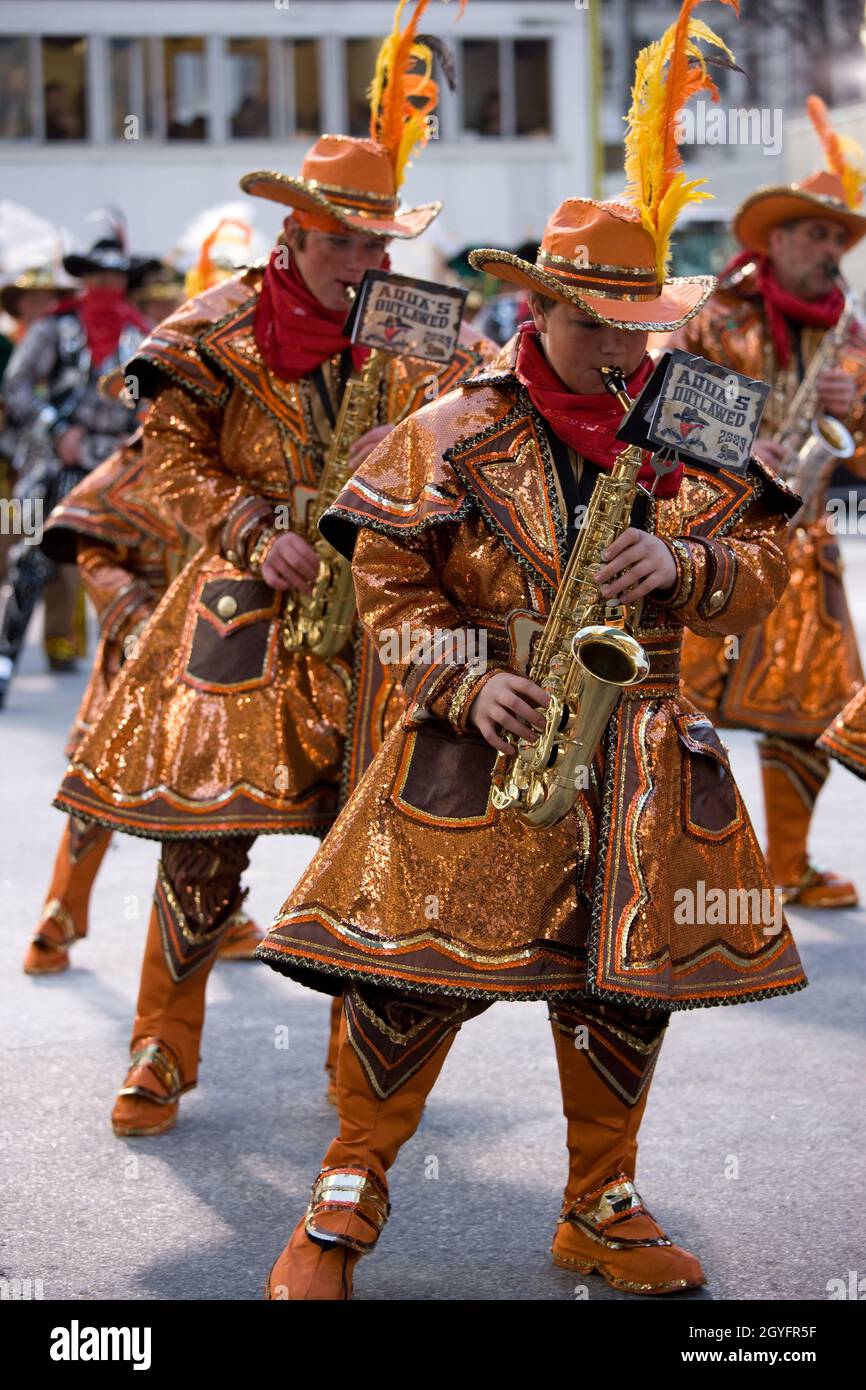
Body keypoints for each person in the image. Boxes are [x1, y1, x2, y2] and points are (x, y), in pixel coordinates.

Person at [255, 0, 806, 1301]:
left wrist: (690, 563)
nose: (628, 351)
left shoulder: (698, 409)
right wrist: (463, 670)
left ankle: (598, 1202)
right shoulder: (446, 425)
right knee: (402, 976)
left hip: (641, 748)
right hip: (477, 729)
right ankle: (344, 1196)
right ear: (540, 307)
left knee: (624, 987)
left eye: (641, 326)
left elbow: (775, 566)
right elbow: (380, 573)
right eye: (598, 325)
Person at [56, 0, 494, 1138]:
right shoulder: (207, 330)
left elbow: (502, 410)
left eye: (378, 240)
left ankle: (359, 1085)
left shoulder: (423, 325)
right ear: (290, 236)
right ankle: (160, 1044)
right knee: (204, 839)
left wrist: (408, 451)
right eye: (344, 241)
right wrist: (251, 526)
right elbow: (160, 457)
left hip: (379, 616)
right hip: (245, 610)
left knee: (376, 843)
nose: (365, 261)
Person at [669, 95, 866, 909]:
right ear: (775, 240)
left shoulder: (848, 333)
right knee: (676, 712)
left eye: (837, 238)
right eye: (816, 234)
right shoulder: (709, 314)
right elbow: (663, 407)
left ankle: (787, 864)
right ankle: (684, 869)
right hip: (704, 535)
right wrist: (739, 441)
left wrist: (852, 401)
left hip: (802, 539)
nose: (829, 250)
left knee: (812, 706)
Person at [23, 370, 263, 976]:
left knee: (213, 792)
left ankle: (223, 913)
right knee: (97, 787)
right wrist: (134, 620)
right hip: (138, 658)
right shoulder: (130, 468)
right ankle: (60, 915)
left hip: (213, 657)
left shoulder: (231, 470)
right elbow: (91, 550)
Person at [0, 237, 151, 695]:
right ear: (84, 280)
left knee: (130, 564)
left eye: (116, 279)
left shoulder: (141, 333)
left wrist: (138, 435)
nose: (107, 286)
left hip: (117, 466)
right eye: (99, 278)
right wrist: (55, 428)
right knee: (29, 554)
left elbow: (150, 400)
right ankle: (5, 657)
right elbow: (17, 386)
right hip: (54, 462)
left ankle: (129, 674)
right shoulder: (55, 327)